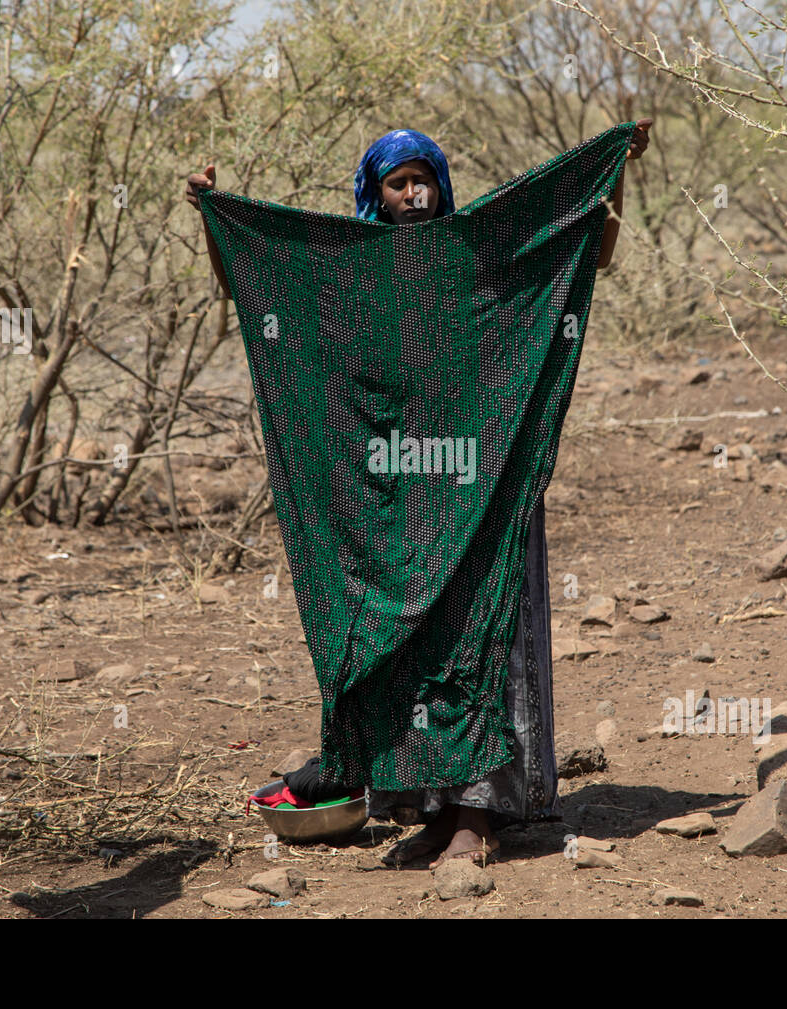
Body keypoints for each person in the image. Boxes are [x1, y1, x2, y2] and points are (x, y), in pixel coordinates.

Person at [184, 119, 652, 867]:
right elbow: (253, 280)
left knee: (486, 631)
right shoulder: (352, 273)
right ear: (376, 192)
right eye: (398, 182)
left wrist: (611, 170)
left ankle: (481, 815)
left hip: (485, 480)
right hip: (397, 494)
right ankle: (431, 810)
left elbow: (586, 247)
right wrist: (215, 215)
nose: (414, 193)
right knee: (410, 648)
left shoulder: (479, 252)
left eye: (423, 178)